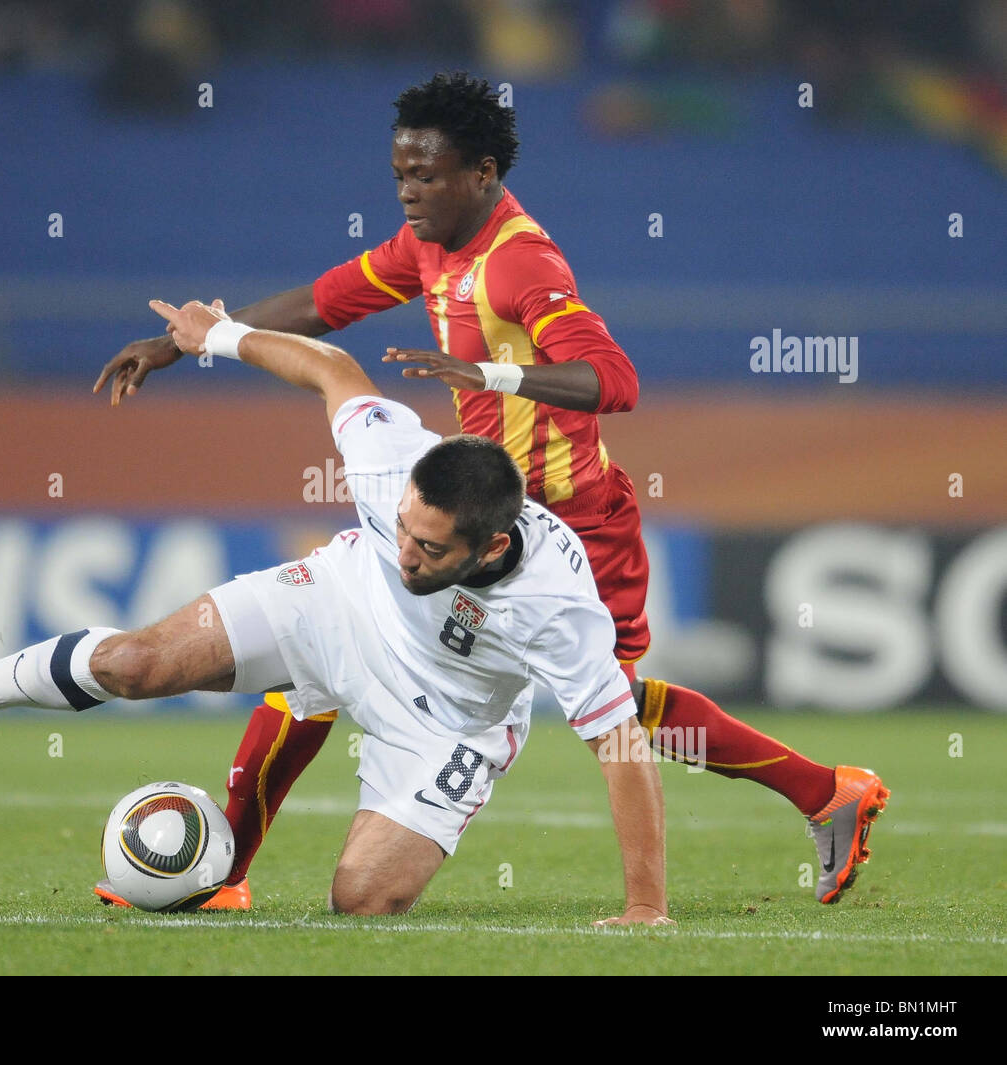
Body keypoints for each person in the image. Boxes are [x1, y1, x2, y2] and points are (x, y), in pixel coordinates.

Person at [94, 72, 888, 910]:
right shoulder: (428, 246)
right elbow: (322, 305)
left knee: (619, 710)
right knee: (316, 660)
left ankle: (819, 795)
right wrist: (198, 339)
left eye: (425, 176)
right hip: (482, 510)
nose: (406, 192)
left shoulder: (519, 264)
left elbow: (616, 380)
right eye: (399, 173)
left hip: (572, 523)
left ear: (481, 173)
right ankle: (228, 872)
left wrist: (488, 371)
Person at [0, 298, 674, 926]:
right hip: (339, 605)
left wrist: (645, 906)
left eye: (429, 550)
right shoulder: (391, 463)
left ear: (490, 548)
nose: (408, 550)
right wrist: (213, 337)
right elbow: (331, 368)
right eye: (405, 530)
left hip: (448, 719)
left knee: (363, 901)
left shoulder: (559, 605)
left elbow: (620, 742)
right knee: (132, 664)